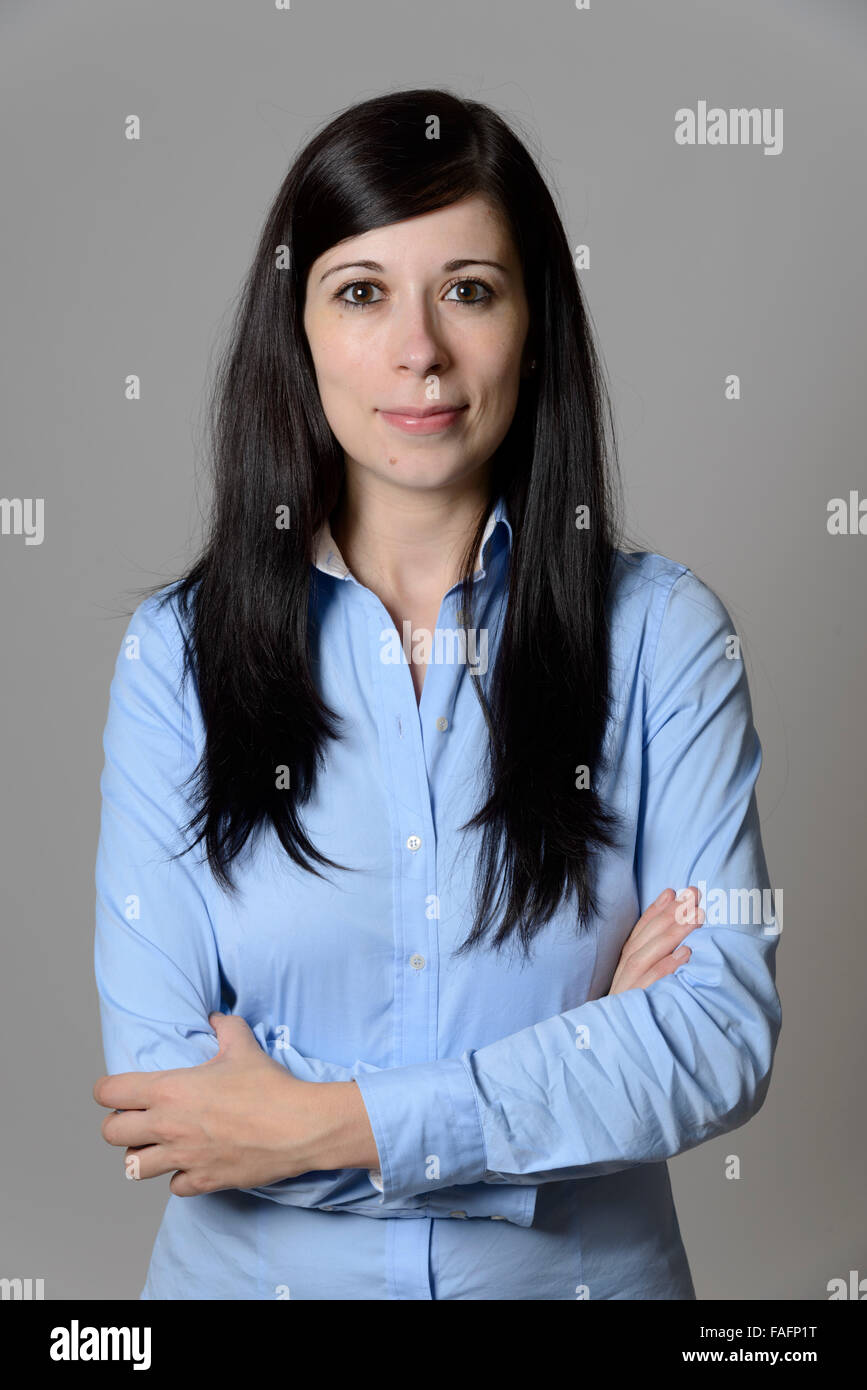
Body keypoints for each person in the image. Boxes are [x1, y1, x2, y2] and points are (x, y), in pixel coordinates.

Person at [92, 88, 782, 1300]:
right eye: (361, 292)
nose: (420, 350)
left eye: (468, 289)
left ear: (532, 325)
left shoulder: (666, 640)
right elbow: (173, 1102)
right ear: (296, 329)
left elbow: (714, 1041)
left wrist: (315, 1123)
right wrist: (571, 1070)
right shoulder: (176, 659)